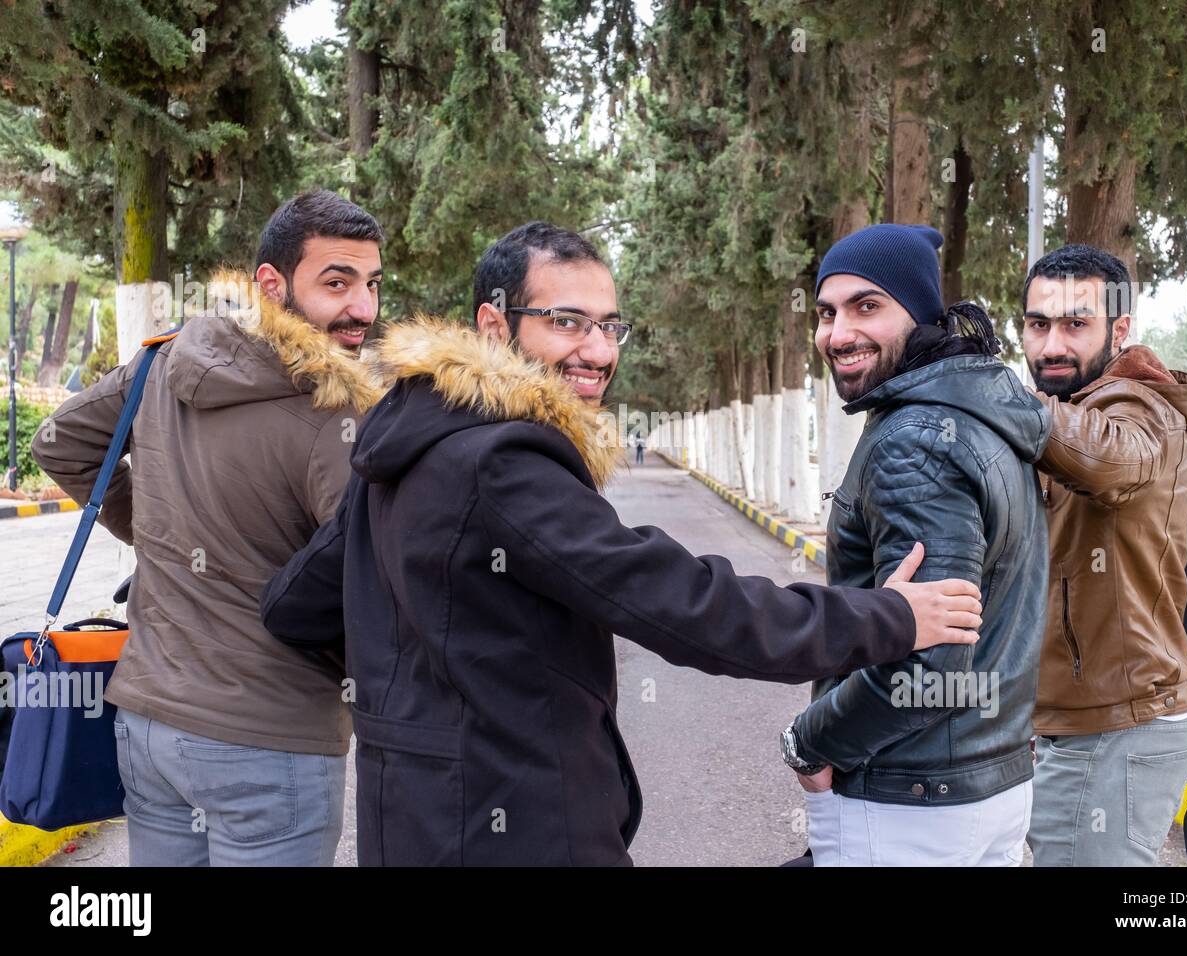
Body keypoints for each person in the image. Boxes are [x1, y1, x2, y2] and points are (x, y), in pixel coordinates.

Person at [260, 221, 983, 866]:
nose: (598, 351)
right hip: (519, 832)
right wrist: (890, 618)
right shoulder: (501, 463)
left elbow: (295, 606)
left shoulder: (403, 440)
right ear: (494, 324)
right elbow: (684, 602)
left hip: (406, 825)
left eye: (610, 326)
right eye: (567, 322)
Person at [31, 189, 384, 865]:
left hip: (148, 727)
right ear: (271, 284)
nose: (362, 308)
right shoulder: (337, 416)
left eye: (370, 284)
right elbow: (369, 584)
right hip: (272, 743)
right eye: (336, 283)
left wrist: (154, 532)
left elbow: (57, 440)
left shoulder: (162, 362)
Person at [779, 223, 1050, 866]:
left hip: (909, 801)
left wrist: (810, 741)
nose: (837, 334)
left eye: (867, 306)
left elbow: (928, 667)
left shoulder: (914, 440)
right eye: (826, 313)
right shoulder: (979, 415)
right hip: (991, 784)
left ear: (920, 313)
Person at [1021, 244, 1187, 866]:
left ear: (1120, 328)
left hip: (1120, 726)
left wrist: (990, 391)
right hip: (1081, 720)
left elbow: (1110, 462)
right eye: (1038, 323)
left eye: (1076, 324)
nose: (1052, 345)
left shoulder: (1142, 408)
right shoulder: (1066, 414)